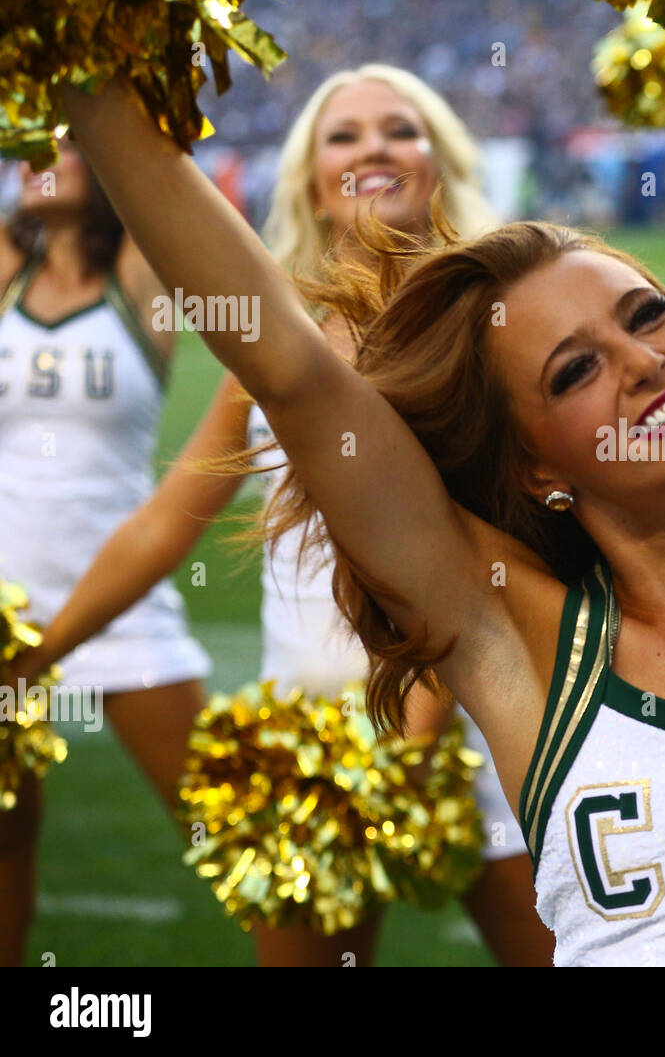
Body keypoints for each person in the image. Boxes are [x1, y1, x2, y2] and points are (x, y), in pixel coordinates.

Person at [60, 0, 665, 965]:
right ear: (535, 467)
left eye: (649, 311)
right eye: (573, 371)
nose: (644, 361)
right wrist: (73, 48)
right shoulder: (514, 639)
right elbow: (294, 375)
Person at [7, 65, 554, 967]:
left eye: (399, 129)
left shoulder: (497, 325)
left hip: (491, 732)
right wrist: (39, 655)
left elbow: (490, 561)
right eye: (343, 136)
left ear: (442, 161)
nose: (373, 147)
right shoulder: (275, 343)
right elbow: (165, 523)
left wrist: (411, 741)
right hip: (309, 754)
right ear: (308, 179)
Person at [0, 146, 212, 966]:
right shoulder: (10, 272)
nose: (39, 155)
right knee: (7, 853)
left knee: (225, 829)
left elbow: (163, 162)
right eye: (29, 143)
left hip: (123, 609)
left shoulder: (141, 274)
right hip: (4, 618)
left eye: (65, 144)